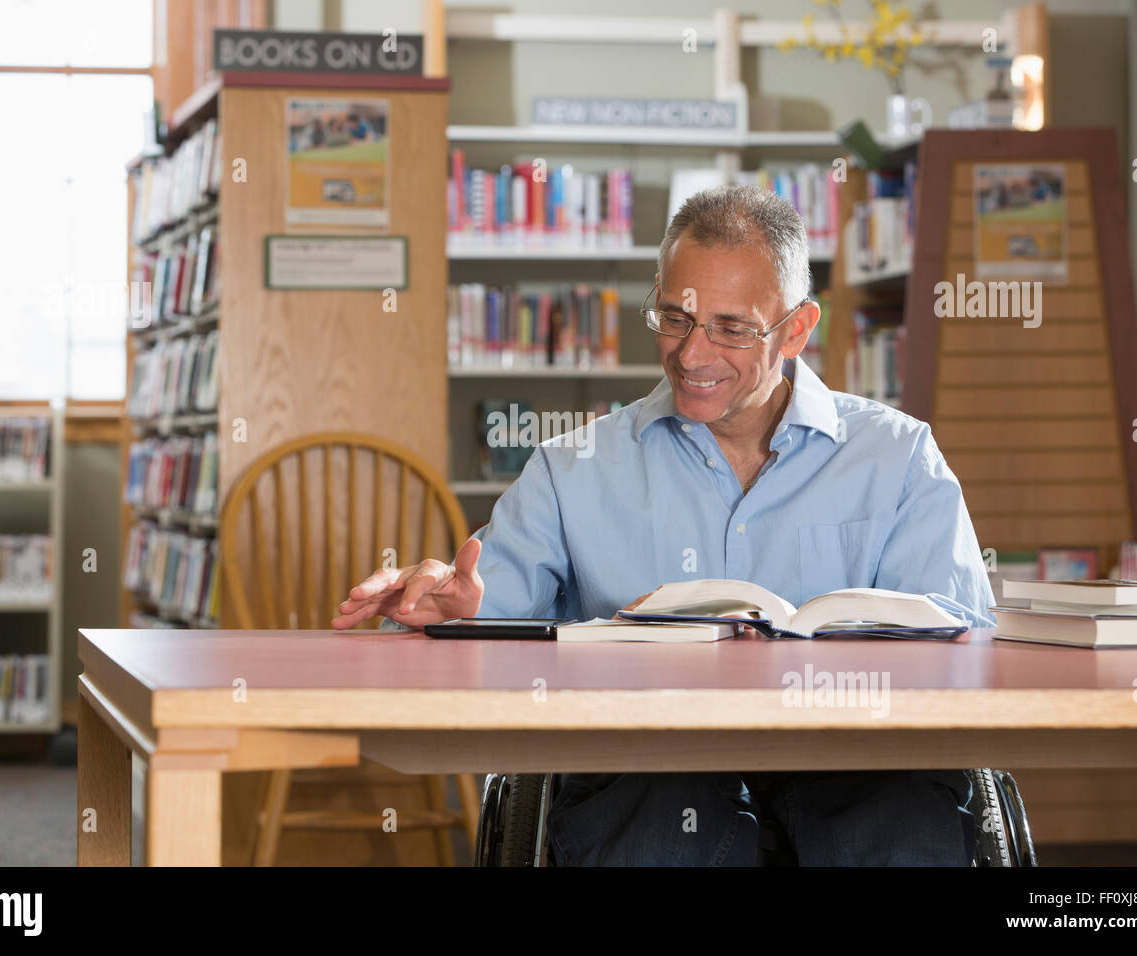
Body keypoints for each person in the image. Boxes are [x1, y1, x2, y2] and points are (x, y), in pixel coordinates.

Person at [331, 184, 995, 866]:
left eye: (731, 328)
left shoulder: (899, 455)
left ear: (796, 329)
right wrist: (456, 604)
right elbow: (487, 605)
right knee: (654, 828)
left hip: (857, 763)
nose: (691, 353)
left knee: (896, 829)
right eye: (675, 317)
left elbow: (967, 643)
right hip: (648, 766)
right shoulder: (573, 467)